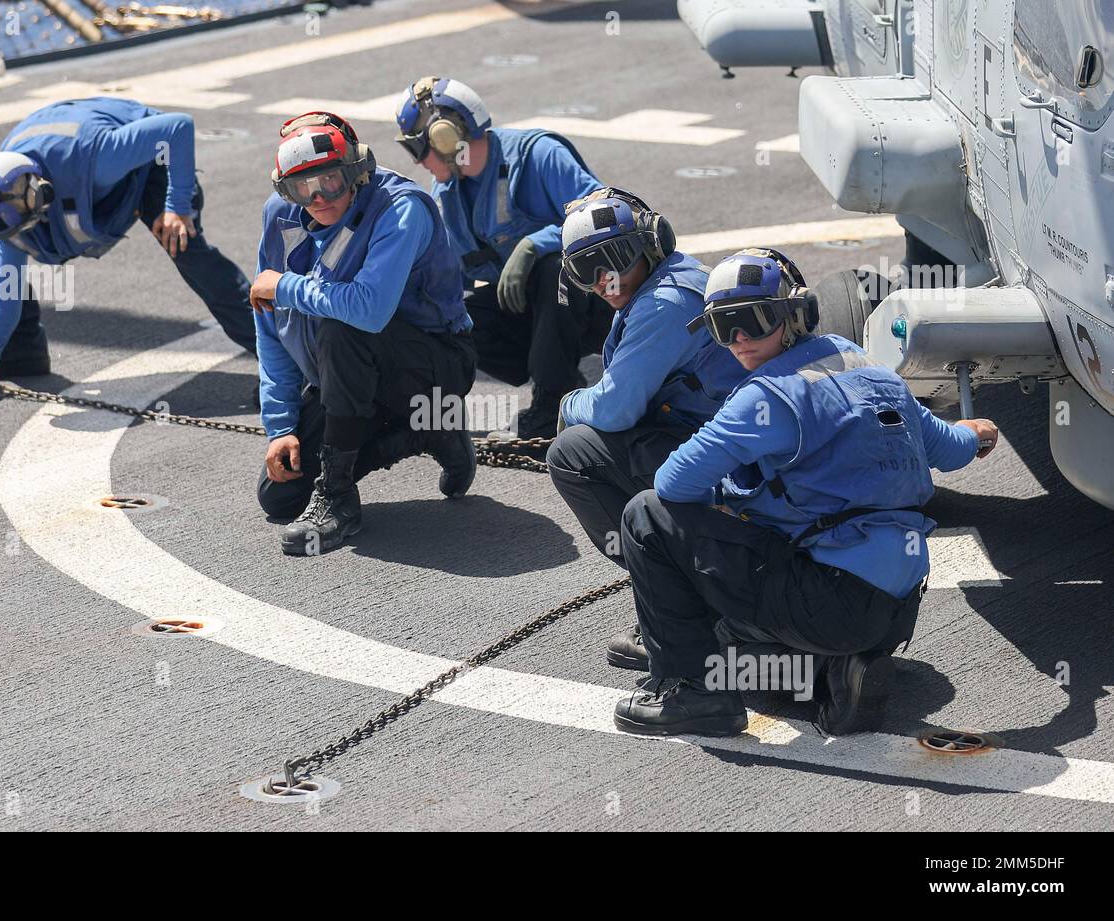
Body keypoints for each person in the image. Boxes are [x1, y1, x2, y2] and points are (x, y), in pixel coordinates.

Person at [612, 248, 1000, 737]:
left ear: (793, 316)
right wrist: (978, 432)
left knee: (646, 516)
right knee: (732, 637)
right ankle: (840, 670)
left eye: (751, 321)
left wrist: (732, 500)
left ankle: (696, 695)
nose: (737, 341)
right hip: (897, 610)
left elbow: (672, 484)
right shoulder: (874, 370)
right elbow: (949, 447)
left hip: (827, 601)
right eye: (722, 327)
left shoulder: (766, 396)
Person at [251, 111, 477, 556]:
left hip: (431, 365)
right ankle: (427, 432)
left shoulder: (401, 209)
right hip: (347, 376)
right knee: (279, 495)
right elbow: (271, 325)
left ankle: (336, 495)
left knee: (343, 323)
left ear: (357, 170)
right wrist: (280, 427)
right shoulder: (281, 217)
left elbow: (369, 311)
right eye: (302, 189)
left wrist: (285, 285)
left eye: (330, 182)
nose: (318, 199)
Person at [545, 189, 744, 670]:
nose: (604, 281)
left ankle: (678, 599)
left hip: (731, 462)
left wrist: (570, 403)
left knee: (572, 454)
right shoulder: (675, 278)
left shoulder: (663, 304)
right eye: (586, 271)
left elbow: (614, 410)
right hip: (733, 444)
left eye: (613, 259)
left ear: (652, 243)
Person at [0, 96, 257, 390]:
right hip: (83, 172)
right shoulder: (6, 203)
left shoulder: (99, 157)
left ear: (41, 193)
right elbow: (5, 284)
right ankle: (18, 351)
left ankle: (281, 361)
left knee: (188, 250)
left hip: (151, 161)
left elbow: (178, 127)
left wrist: (176, 207)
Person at [393, 76, 611, 438]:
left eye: (418, 149)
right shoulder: (447, 193)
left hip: (596, 302)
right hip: (535, 318)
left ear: (444, 136)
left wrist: (535, 244)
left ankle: (548, 405)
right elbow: (447, 275)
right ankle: (563, 382)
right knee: (450, 318)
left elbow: (603, 215)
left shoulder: (537, 155)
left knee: (553, 268)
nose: (418, 163)